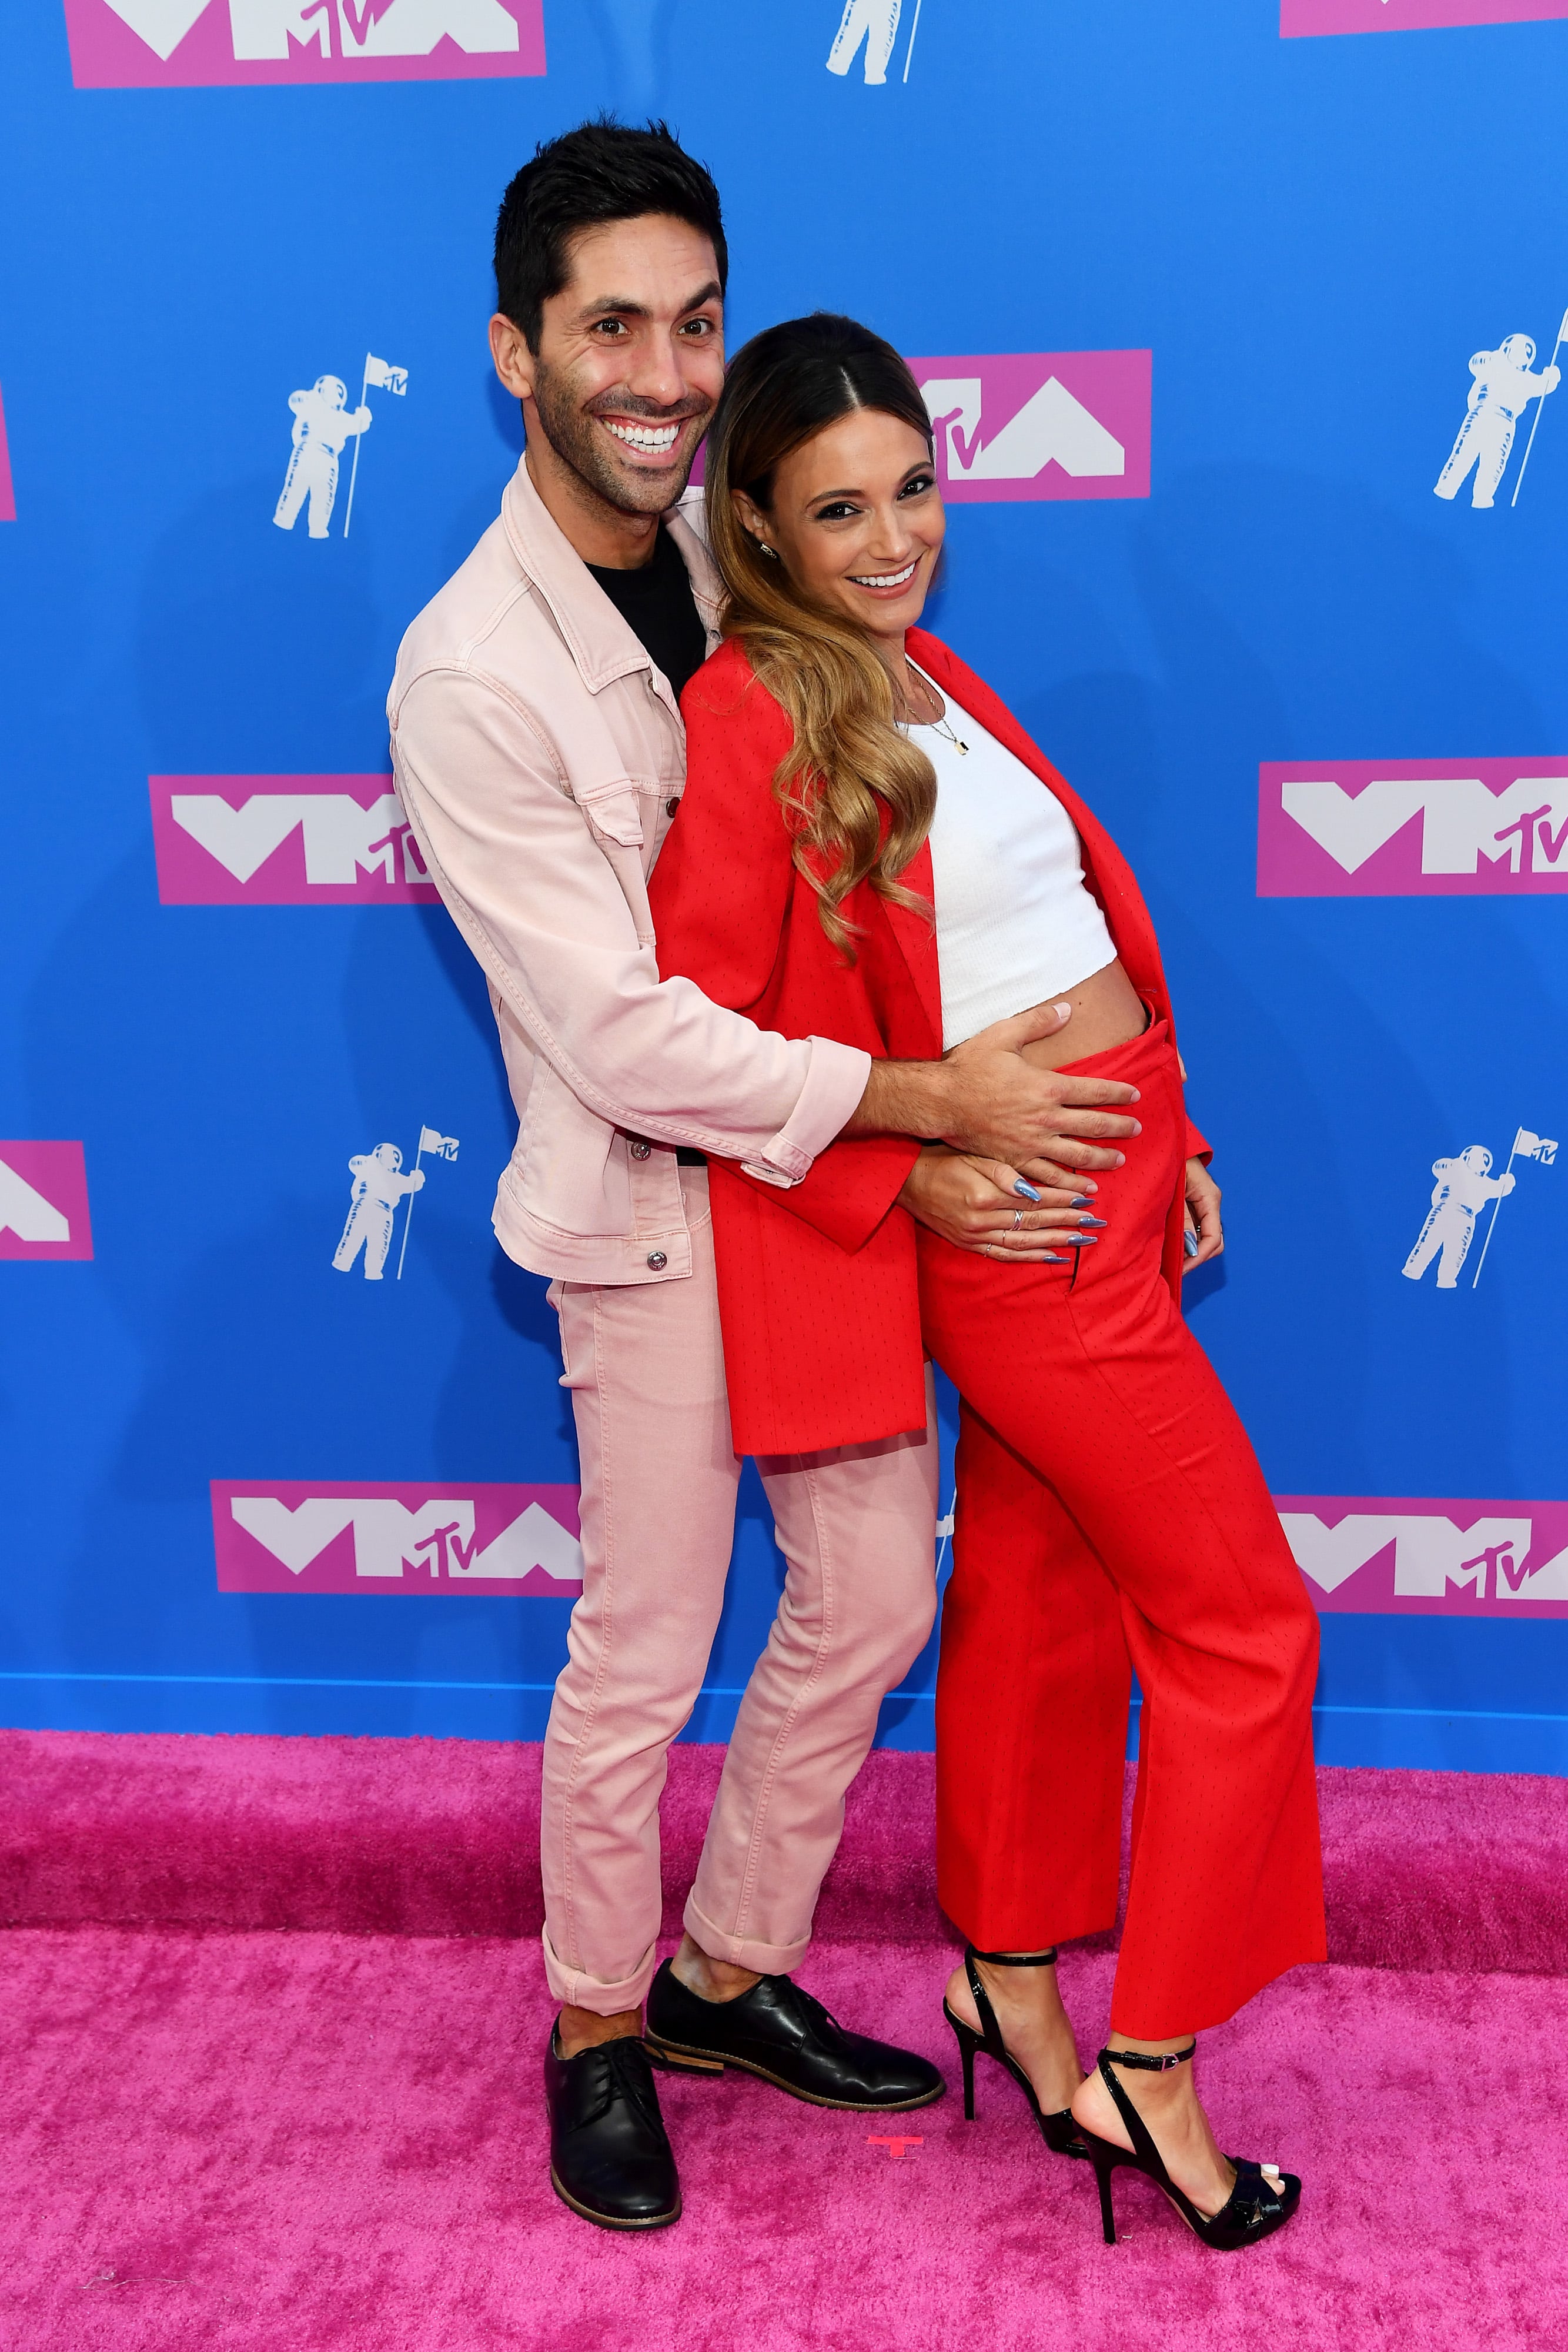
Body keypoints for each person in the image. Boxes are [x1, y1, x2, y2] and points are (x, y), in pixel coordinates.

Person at [386, 124, 1135, 2234]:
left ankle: (725, 1970)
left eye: (693, 320)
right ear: (515, 353)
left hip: (822, 1198)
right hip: (655, 1205)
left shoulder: (750, 548)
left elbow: (883, 849)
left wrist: (1034, 1106)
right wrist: (926, 1104)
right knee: (645, 1635)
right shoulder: (467, 668)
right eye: (609, 324)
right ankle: (594, 2024)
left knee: (875, 1590)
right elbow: (623, 1028)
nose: (664, 365)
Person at [649, 313, 1326, 2253]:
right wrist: (908, 1164)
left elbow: (1044, 922)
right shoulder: (747, 717)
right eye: (836, 510)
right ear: (757, 530)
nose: (890, 538)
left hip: (1106, 1190)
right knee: (1242, 1630)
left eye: (913, 489)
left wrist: (1166, 1126)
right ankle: (1157, 2061)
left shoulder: (915, 668)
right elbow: (698, 1026)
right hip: (1020, 1242)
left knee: (1035, 1599)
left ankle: (1006, 1975)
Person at [1434, 333, 1559, 510]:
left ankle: (1482, 498)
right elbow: (1475, 363)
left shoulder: (1527, 379)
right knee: (1465, 452)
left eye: (1526, 351)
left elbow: (1543, 385)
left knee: (1494, 462)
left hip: (1506, 422)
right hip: (1483, 412)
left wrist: (1552, 376)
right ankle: (1446, 488)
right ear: (1507, 348)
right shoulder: (1494, 363)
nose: (1521, 353)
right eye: (1518, 348)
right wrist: (1494, 358)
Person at [273, 375, 372, 539]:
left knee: (324, 495)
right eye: (335, 390)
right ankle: (284, 519)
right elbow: (294, 400)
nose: (338, 395)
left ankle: (318, 528)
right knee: (296, 486)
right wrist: (312, 396)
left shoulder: (342, 418)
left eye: (341, 393)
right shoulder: (311, 404)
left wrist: (364, 417)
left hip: (329, 458)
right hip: (308, 449)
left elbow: (358, 425)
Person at [1403, 1144, 1513, 1288]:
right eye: (1479, 1158)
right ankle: (1414, 1270)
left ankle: (1446, 1280)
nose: (1480, 1162)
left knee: (1456, 1251)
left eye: (1484, 1161)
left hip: (1466, 1217)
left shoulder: (1484, 1182)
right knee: (1429, 1241)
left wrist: (1507, 1182)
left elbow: (1500, 1189)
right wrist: (1454, 1164)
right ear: (1468, 1157)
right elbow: (1437, 1167)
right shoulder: (1456, 1168)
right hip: (1446, 1209)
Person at [331, 1142, 423, 1280]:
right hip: (365, 1202)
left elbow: (412, 1185)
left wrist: (418, 1177)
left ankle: (373, 1271)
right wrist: (368, 1161)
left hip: (385, 1211)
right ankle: (343, 1262)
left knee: (379, 1243)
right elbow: (354, 1163)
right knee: (354, 1235)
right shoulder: (369, 1166)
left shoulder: (397, 1178)